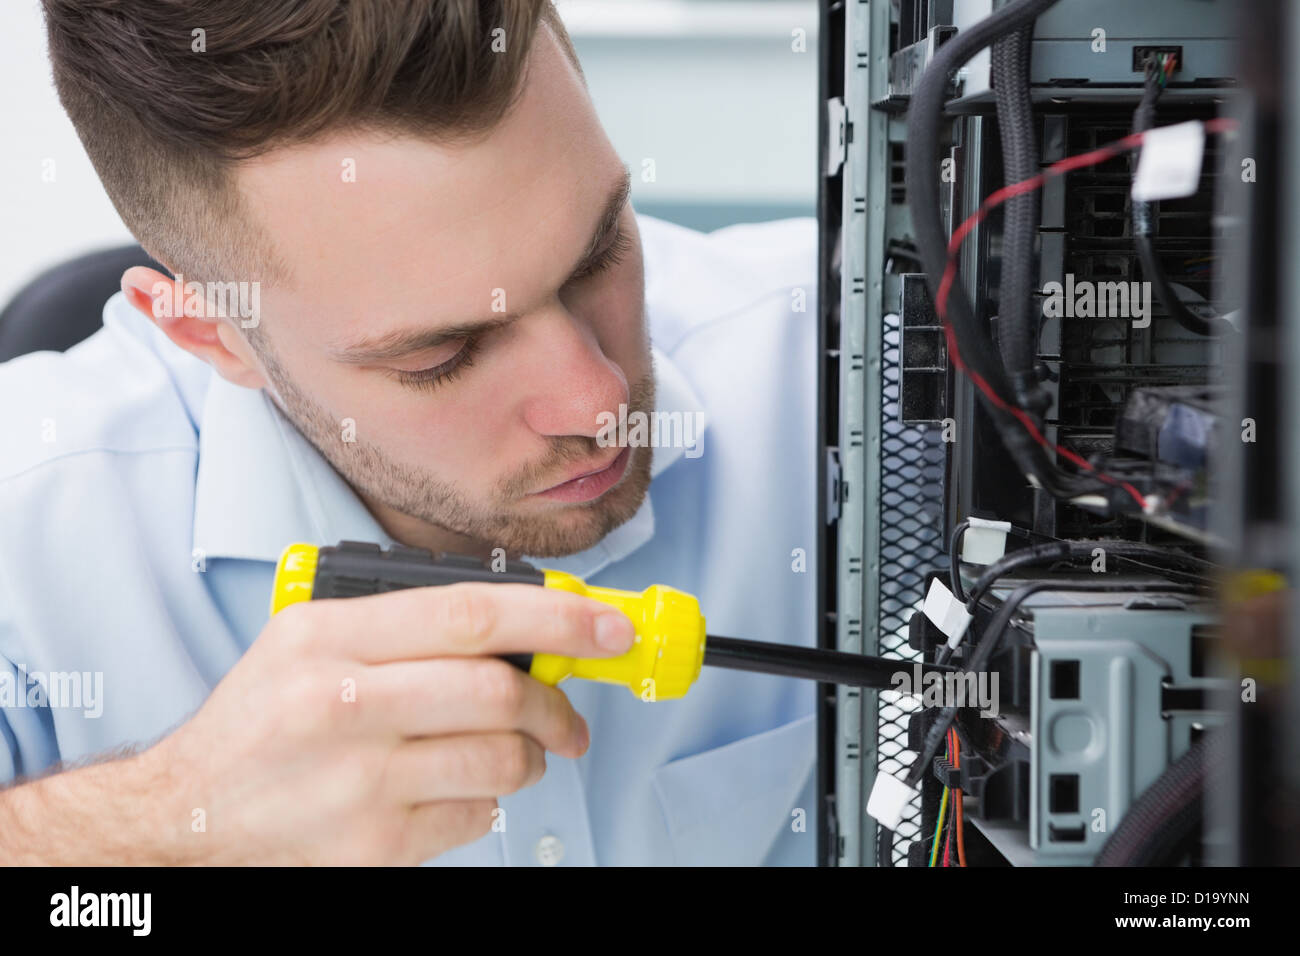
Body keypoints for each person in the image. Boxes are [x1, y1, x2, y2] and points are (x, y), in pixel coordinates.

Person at [0, 0, 818, 865]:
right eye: (441, 354)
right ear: (212, 335)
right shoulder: (29, 534)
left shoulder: (854, 352)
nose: (595, 400)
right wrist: (169, 820)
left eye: (598, 251)